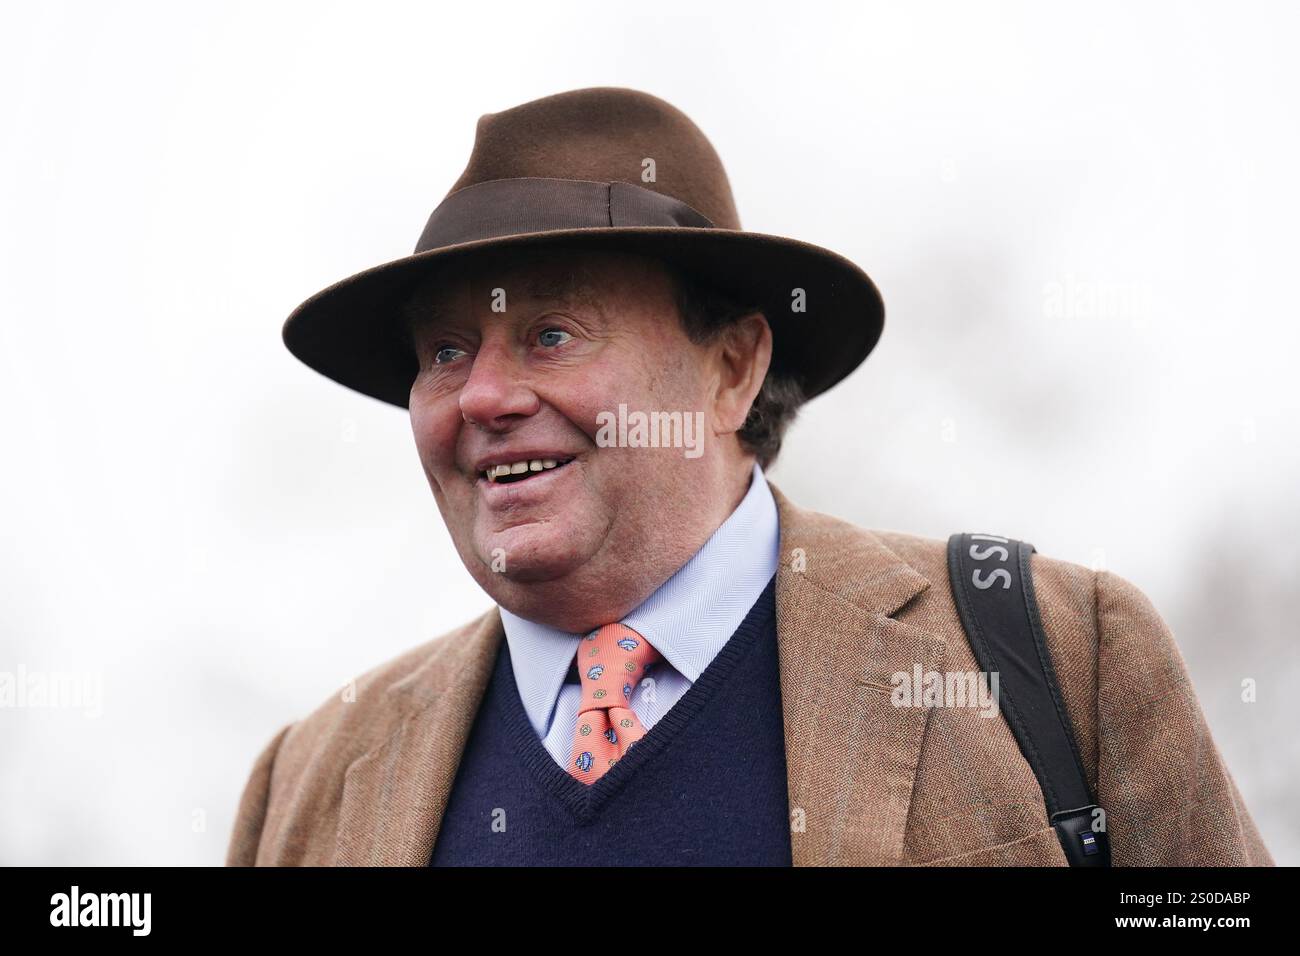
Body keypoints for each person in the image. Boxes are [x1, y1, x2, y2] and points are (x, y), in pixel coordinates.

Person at [226, 86, 1271, 866]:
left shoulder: (1054, 659)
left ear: (732, 368)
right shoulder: (307, 786)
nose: (481, 395)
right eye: (444, 352)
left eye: (549, 332)